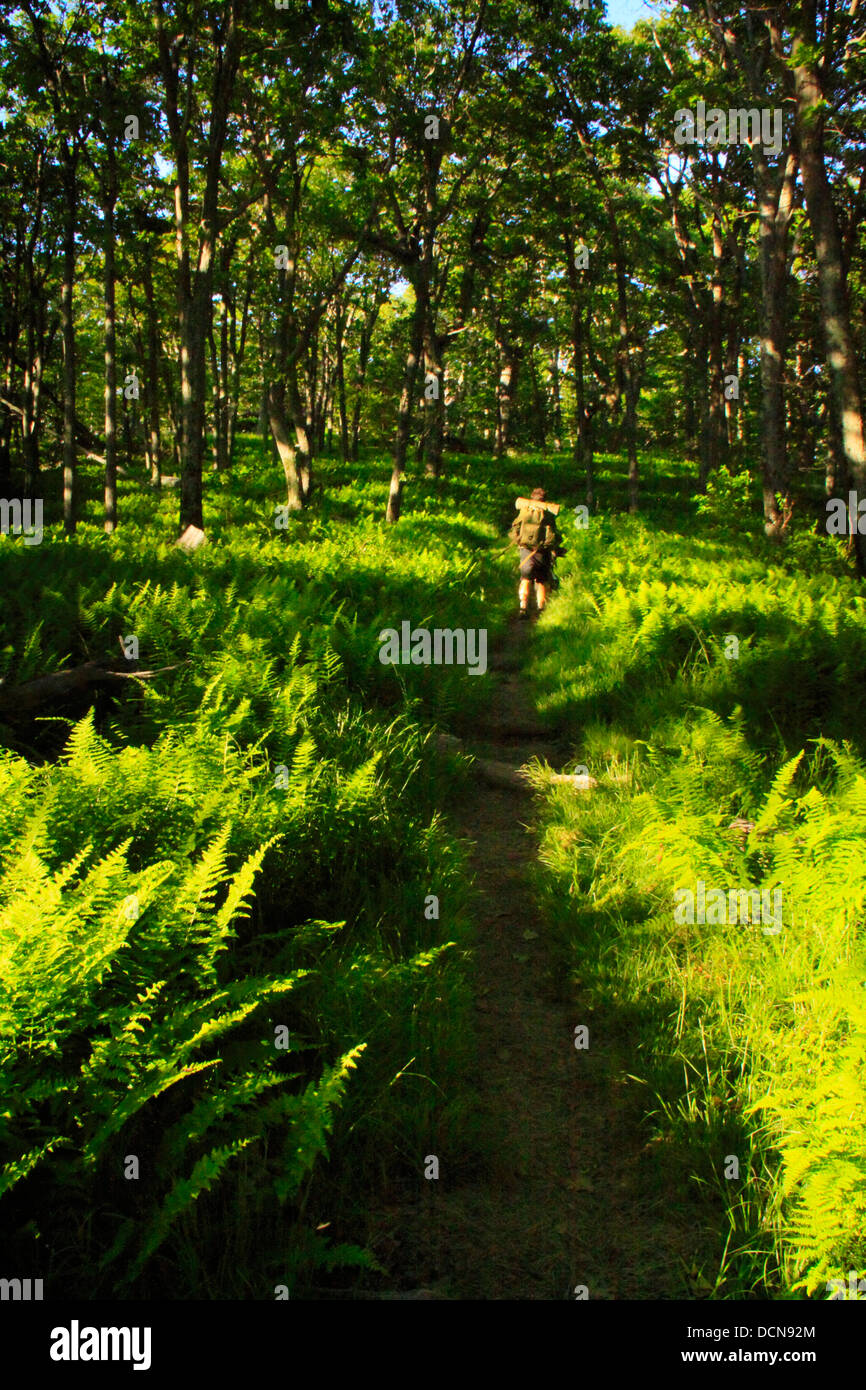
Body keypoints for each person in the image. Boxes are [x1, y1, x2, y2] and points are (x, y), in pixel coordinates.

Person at [508, 488, 563, 618]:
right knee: (541, 580)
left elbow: (515, 528)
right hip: (542, 552)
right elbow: (552, 536)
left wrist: (519, 542)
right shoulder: (548, 514)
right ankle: (541, 608)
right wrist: (552, 547)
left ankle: (523, 606)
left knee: (525, 578)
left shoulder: (524, 511)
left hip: (525, 549)